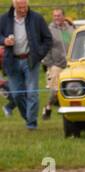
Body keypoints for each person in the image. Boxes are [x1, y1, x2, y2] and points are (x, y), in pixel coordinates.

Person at [1, 0, 54, 130]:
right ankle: (29, 118)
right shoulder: (4, 19)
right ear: (14, 6)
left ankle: (31, 125)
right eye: (20, 7)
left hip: (30, 61)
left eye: (25, 6)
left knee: (32, 93)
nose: (23, 9)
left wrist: (38, 54)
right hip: (12, 61)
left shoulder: (37, 18)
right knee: (17, 94)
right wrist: (4, 41)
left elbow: (48, 39)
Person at [39, 5, 70, 120]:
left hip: (70, 65)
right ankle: (48, 107)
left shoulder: (70, 29)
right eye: (54, 15)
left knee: (70, 88)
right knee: (55, 90)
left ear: (64, 16)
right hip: (56, 65)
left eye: (59, 15)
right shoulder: (49, 30)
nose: (56, 17)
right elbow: (45, 48)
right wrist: (50, 64)